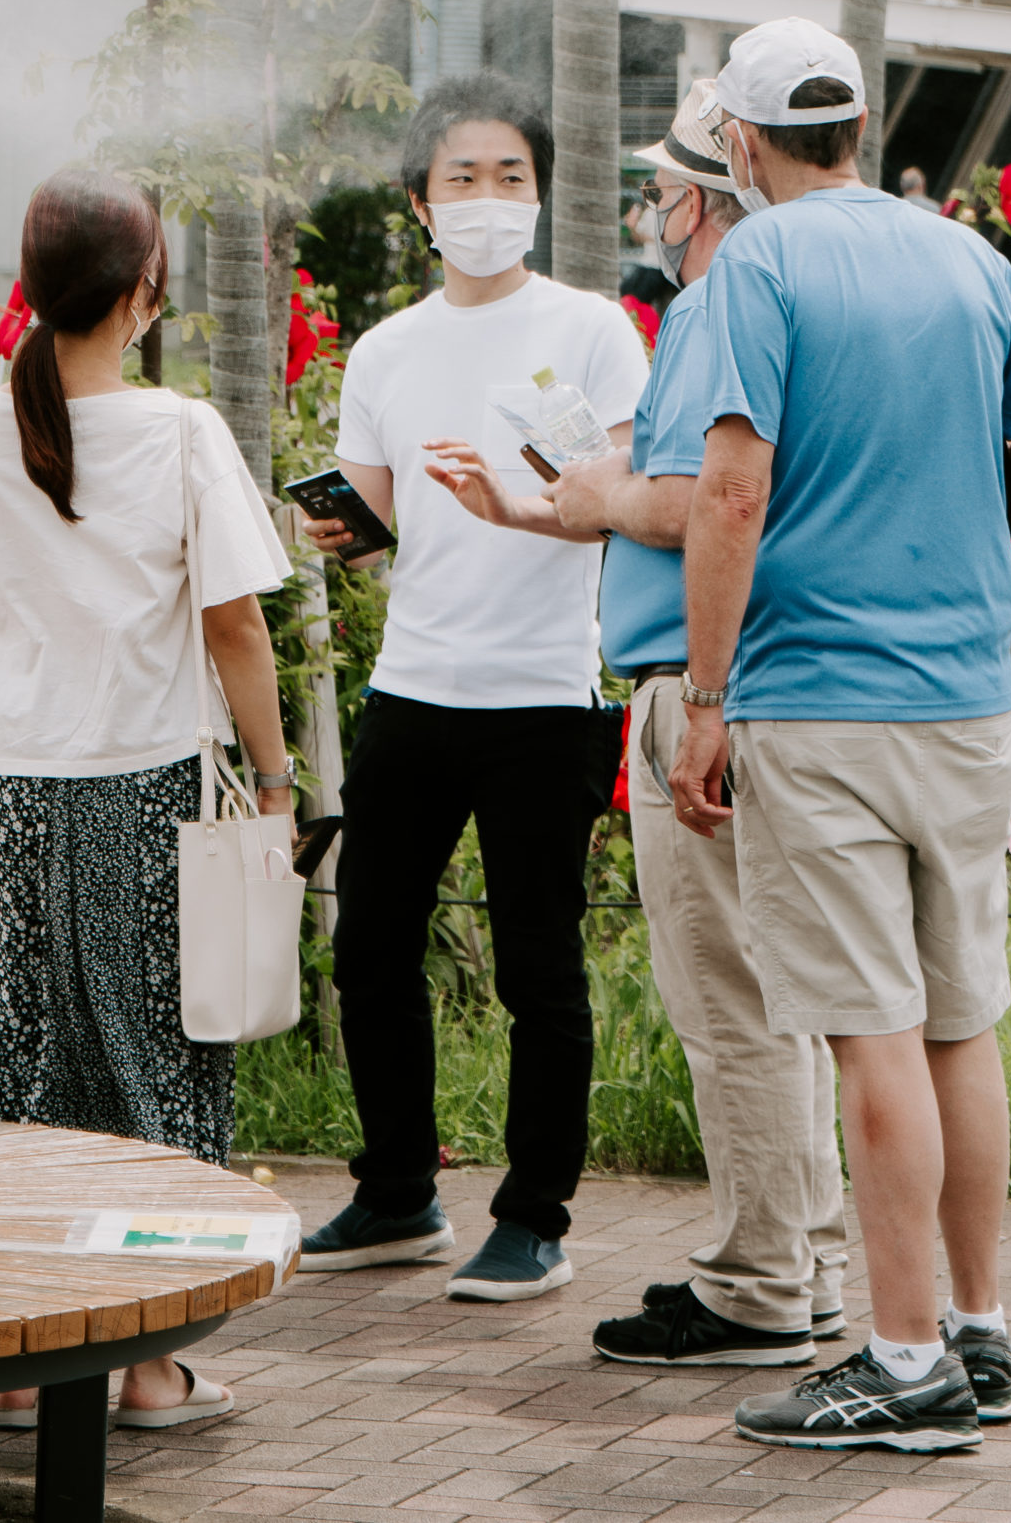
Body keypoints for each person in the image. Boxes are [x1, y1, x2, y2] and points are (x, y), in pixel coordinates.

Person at [666, 18, 1011, 1452]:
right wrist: (966, 502)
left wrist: (711, 701)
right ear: (857, 124)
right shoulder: (966, 256)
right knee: (959, 1020)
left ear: (739, 140)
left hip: (821, 703)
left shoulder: (761, 266)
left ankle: (902, 1363)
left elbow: (731, 492)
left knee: (873, 1040)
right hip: (968, 701)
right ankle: (978, 1336)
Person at [460, 81, 847, 1368]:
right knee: (785, 991)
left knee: (727, 993)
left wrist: (607, 489)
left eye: (662, 190)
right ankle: (811, 1261)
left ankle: (753, 1282)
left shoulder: (717, 308)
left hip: (700, 680)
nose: (650, 211)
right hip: (782, 680)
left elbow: (696, 501)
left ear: (702, 197)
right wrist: (560, 506)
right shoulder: (802, 294)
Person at [0, 166, 297, 1429]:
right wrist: (282, 781)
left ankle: (22, 1370)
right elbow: (238, 627)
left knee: (27, 1075)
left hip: (23, 791)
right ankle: (147, 1365)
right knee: (155, 1083)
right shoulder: (181, 430)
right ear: (145, 293)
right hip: (149, 795)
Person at [295, 72, 645, 1302]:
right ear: (420, 205)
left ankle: (534, 1216)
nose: (489, 199)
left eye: (511, 177)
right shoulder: (387, 349)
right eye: (463, 179)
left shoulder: (592, 329)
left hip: (546, 696)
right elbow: (373, 515)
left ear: (539, 195)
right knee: (370, 946)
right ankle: (397, 1191)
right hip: (414, 686)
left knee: (537, 965)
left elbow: (627, 512)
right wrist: (333, 526)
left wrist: (519, 504)